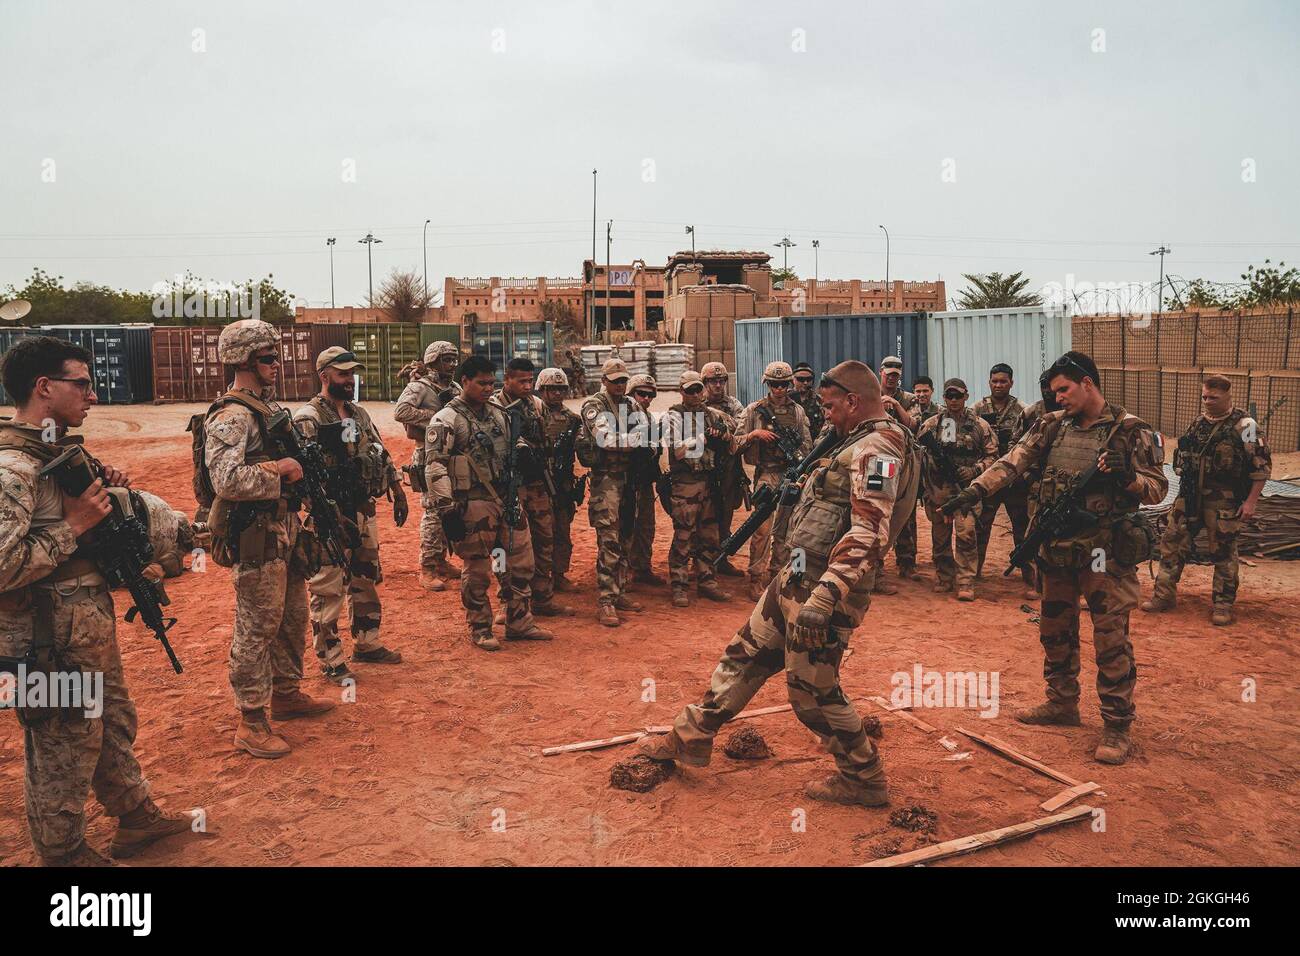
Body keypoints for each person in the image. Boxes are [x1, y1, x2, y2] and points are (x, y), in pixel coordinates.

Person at [640, 361, 919, 808]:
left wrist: (825, 598)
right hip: (795, 576)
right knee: (745, 653)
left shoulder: (878, 448)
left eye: (830, 406)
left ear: (853, 401)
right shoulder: (850, 439)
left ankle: (864, 777)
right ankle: (689, 735)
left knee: (812, 695)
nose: (824, 414)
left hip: (823, 591)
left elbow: (869, 531)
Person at [0, 336, 194, 864]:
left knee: (110, 721)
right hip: (44, 640)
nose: (94, 396)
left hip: (81, 626)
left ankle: (135, 817)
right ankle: (62, 855)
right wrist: (73, 526)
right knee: (62, 742)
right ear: (44, 388)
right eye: (81, 384)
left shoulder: (57, 452)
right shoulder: (13, 470)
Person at [943, 351, 1167, 765]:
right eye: (1053, 391)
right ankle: (1061, 703)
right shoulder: (1051, 425)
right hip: (1058, 548)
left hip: (1104, 555)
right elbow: (1013, 463)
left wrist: (1127, 477)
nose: (1058, 397)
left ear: (1087, 382)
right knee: (1054, 630)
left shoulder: (1131, 431)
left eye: (1063, 389)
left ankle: (1117, 725)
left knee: (1110, 639)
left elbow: (1157, 489)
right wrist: (975, 491)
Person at [203, 319, 335, 760]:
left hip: (284, 529)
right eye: (266, 358)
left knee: (292, 616)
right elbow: (225, 479)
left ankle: (286, 693)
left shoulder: (267, 407)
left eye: (276, 356)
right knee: (256, 627)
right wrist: (278, 470)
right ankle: (251, 720)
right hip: (255, 536)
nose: (275, 365)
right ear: (242, 360)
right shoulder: (232, 415)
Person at [295, 347, 407, 684]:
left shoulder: (358, 414)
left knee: (365, 577)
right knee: (328, 586)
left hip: (362, 510)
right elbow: (303, 476)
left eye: (352, 374)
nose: (349, 380)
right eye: (343, 374)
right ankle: (331, 658)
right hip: (329, 516)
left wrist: (397, 488)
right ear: (324, 376)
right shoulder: (308, 418)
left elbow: (379, 451)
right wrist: (323, 512)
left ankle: (367, 642)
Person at [426, 356, 553, 651]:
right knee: (479, 569)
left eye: (491, 383)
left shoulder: (498, 413)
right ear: (465, 381)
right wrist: (446, 509)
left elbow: (511, 441)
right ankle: (480, 626)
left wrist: (523, 452)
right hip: (473, 504)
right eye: (481, 383)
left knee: (519, 562)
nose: (487, 389)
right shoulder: (447, 420)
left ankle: (518, 620)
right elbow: (435, 467)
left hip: (506, 499)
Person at [1144, 374, 1271, 626]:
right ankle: (1163, 595)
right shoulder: (1199, 423)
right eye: (1204, 396)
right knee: (1172, 542)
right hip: (1190, 496)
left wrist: (1250, 502)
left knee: (1223, 551)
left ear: (1228, 395)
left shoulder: (1246, 427)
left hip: (1224, 500)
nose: (1207, 401)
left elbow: (1261, 467)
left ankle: (1223, 604)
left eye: (1213, 397)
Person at [492, 358, 570, 616]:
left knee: (544, 540)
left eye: (529, 380)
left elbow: (546, 441)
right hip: (508, 487)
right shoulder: (494, 406)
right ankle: (507, 600)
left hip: (537, 484)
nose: (526, 386)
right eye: (521, 381)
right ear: (507, 380)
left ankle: (542, 596)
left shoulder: (537, 406)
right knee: (505, 546)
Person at [576, 358, 647, 627]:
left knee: (627, 534)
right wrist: (633, 440)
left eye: (623, 380)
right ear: (603, 381)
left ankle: (620, 592)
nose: (620, 385)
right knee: (609, 539)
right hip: (606, 481)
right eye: (615, 380)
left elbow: (646, 433)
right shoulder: (593, 405)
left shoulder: (632, 405)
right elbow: (604, 439)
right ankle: (606, 600)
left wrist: (631, 440)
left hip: (629, 480)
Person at [916, 378, 997, 601]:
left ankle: (965, 581)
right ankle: (944, 577)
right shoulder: (932, 425)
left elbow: (993, 456)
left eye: (958, 396)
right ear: (943, 398)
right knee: (940, 538)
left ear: (966, 396)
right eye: (949, 396)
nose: (953, 400)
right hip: (939, 491)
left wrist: (975, 470)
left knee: (967, 535)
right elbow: (919, 455)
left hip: (966, 492)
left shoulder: (980, 425)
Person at [737, 361, 812, 600]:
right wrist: (754, 434)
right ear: (767, 384)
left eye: (782, 384)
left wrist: (798, 458)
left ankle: (778, 573)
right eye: (774, 384)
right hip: (766, 474)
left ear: (789, 384)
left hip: (790, 474)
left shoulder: (798, 412)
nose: (778, 389)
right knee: (761, 529)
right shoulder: (754, 411)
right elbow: (734, 442)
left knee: (788, 529)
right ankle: (756, 578)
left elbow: (807, 445)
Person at [393, 341, 463, 591]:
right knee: (433, 511)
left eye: (454, 359)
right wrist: (435, 419)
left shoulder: (454, 387)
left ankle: (441, 560)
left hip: (452, 455)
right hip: (428, 455)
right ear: (433, 361)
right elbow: (401, 411)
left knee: (450, 506)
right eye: (447, 360)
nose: (453, 364)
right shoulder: (420, 387)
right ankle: (428, 566)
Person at [662, 371, 734, 607]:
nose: (695, 394)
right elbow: (679, 451)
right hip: (686, 483)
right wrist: (703, 438)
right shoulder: (673, 416)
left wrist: (722, 436)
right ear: (681, 391)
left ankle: (707, 580)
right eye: (689, 390)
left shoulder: (711, 414)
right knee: (684, 535)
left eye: (697, 390)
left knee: (709, 535)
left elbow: (732, 433)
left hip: (709, 482)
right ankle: (679, 585)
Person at [972, 363, 1035, 598]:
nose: (998, 385)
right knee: (982, 525)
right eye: (994, 381)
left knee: (1022, 526)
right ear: (989, 382)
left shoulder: (1023, 410)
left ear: (1011, 383)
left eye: (1003, 381)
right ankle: (974, 569)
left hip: (1015, 481)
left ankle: (1028, 571)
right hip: (989, 479)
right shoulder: (977, 409)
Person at [535, 368, 583, 594]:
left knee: (562, 531)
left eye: (560, 389)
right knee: (540, 533)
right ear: (542, 390)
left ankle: (559, 573)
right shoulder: (533, 416)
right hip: (538, 485)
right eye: (551, 389)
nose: (556, 394)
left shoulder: (573, 419)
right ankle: (539, 576)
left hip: (563, 485)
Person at [701, 361, 747, 578]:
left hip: (728, 467)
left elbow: (740, 429)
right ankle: (700, 561)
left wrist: (721, 427)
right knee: (703, 514)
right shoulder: (697, 402)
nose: (718, 385)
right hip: (704, 467)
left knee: (726, 512)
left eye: (722, 381)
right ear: (705, 383)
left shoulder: (734, 405)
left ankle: (721, 559)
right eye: (713, 381)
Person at [626, 373, 667, 586]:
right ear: (631, 394)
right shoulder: (621, 416)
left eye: (650, 395)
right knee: (625, 527)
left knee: (646, 525)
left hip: (643, 481)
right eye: (641, 394)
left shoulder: (649, 418)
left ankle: (642, 567)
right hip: (626, 482)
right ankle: (623, 573)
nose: (646, 398)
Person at [791, 361, 825, 438]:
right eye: (801, 379)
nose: (805, 382)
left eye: (809, 379)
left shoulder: (820, 401)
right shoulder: (785, 399)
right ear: (793, 380)